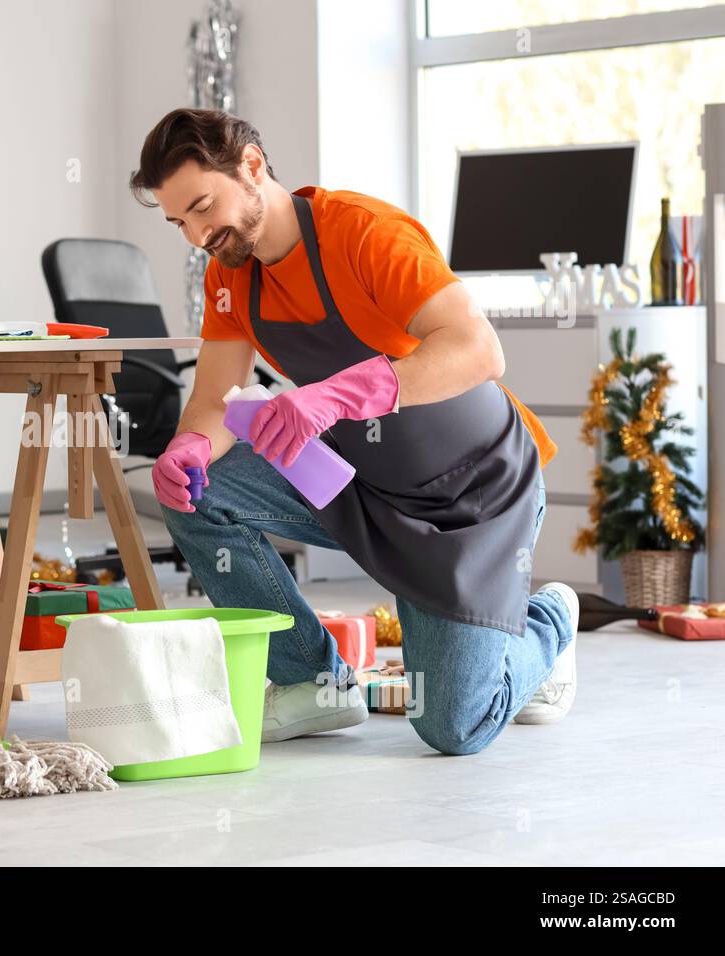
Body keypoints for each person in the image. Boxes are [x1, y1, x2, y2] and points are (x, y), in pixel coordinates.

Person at [131, 108, 578, 756]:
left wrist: (336, 396)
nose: (199, 234)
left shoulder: (365, 234)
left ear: (252, 166)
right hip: (364, 484)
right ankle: (314, 683)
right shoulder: (229, 271)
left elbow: (480, 349)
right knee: (198, 491)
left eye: (203, 206)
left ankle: (548, 622)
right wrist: (189, 447)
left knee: (454, 727)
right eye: (181, 223)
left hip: (474, 496)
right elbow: (213, 397)